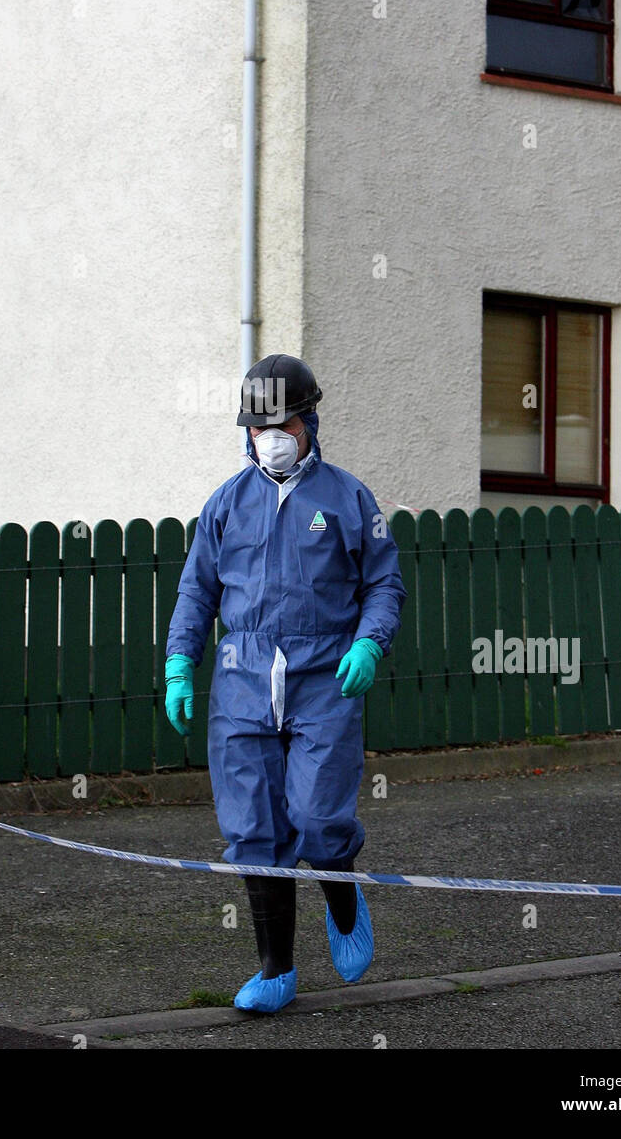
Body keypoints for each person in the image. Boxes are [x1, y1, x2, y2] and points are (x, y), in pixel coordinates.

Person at [164, 354, 406, 1013]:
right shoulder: (225, 504)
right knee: (252, 827)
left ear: (308, 422)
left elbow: (383, 580)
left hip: (323, 676)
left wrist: (368, 641)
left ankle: (341, 892)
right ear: (245, 432)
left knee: (318, 814)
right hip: (242, 681)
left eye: (284, 423)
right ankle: (275, 971)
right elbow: (197, 590)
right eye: (258, 427)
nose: (271, 437)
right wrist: (179, 663)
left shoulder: (348, 498)